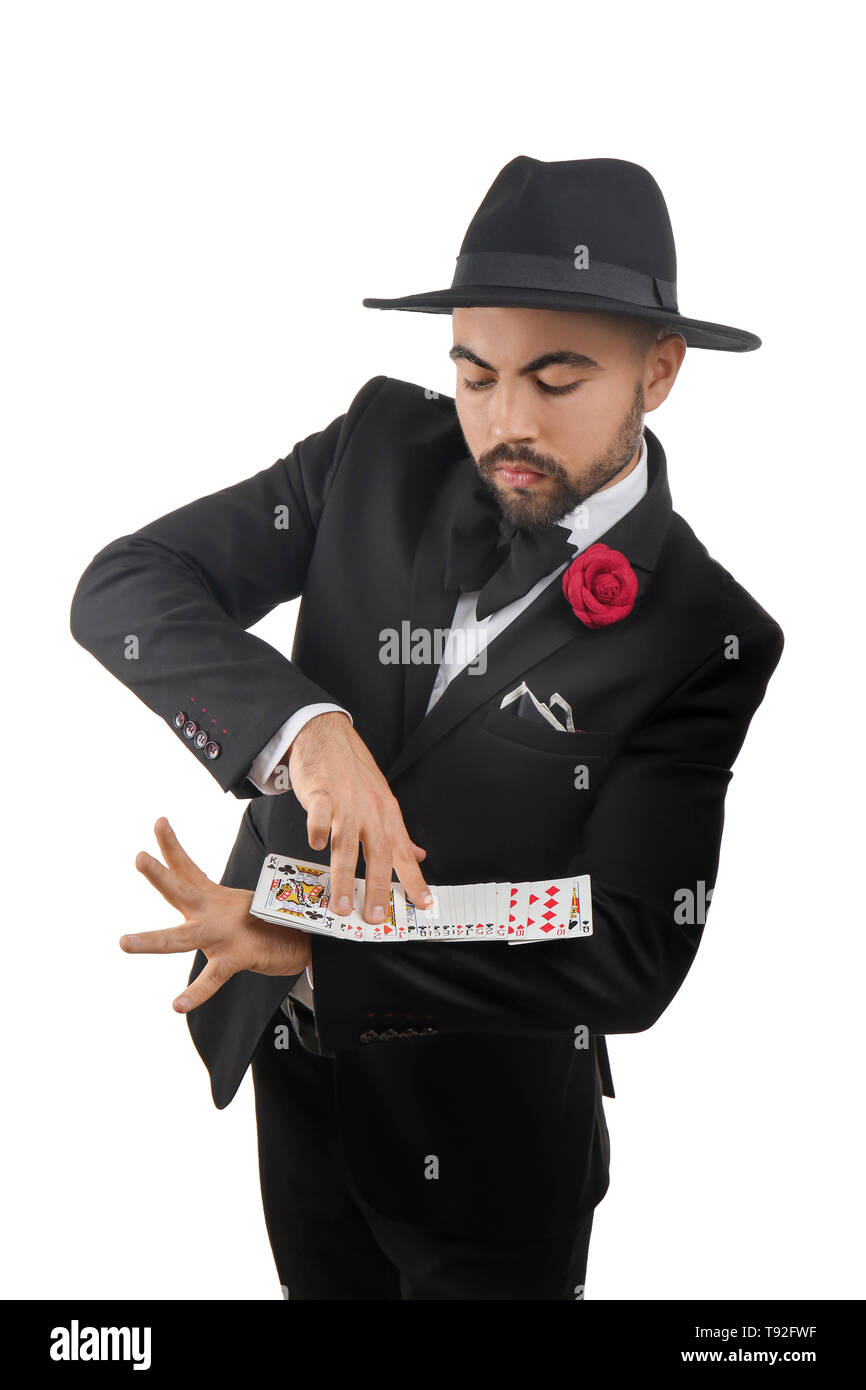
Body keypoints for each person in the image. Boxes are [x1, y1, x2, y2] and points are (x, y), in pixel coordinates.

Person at [69, 156, 784, 1300]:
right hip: (291, 1061)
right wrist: (305, 728)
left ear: (658, 371)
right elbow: (128, 583)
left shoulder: (704, 630)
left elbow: (631, 953)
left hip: (492, 1141)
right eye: (473, 373)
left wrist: (321, 942)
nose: (504, 422)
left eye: (556, 379)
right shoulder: (375, 449)